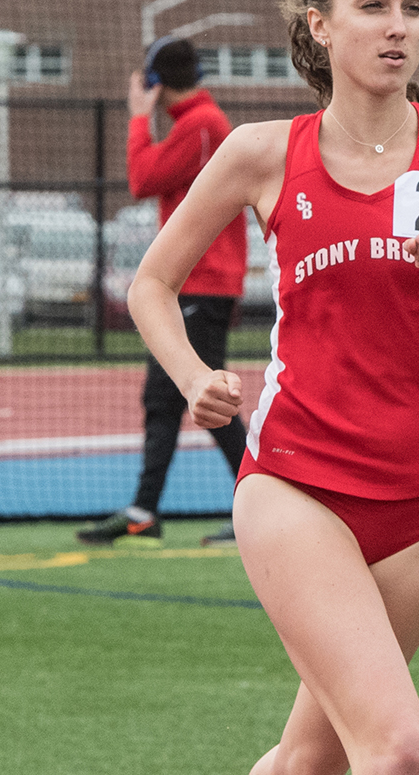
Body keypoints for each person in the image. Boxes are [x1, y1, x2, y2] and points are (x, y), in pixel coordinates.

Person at [128, 0, 419, 775]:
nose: (398, 25)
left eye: (414, 7)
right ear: (320, 25)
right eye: (373, 6)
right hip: (297, 482)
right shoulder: (262, 152)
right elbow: (152, 284)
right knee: (396, 748)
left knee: (309, 759)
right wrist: (193, 377)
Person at [78, 37, 248, 549]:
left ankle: (256, 509)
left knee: (205, 399)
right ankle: (145, 509)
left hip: (202, 282)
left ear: (155, 82)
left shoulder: (201, 124)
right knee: (170, 398)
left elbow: (142, 178)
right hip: (193, 283)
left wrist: (136, 118)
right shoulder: (199, 123)